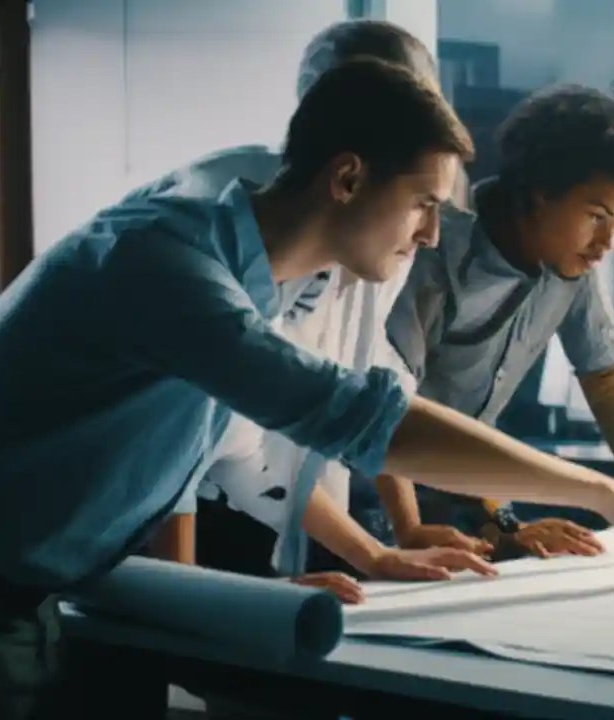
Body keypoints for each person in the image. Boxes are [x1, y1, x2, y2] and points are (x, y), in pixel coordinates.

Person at [0, 58, 614, 720]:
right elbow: (364, 421)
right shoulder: (174, 265)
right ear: (349, 178)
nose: (431, 233)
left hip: (35, 584)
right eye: (425, 202)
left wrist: (267, 585)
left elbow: (206, 463)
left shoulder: (258, 287)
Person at [130, 19, 488, 604]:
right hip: (168, 517)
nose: (428, 232)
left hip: (285, 502)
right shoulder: (216, 212)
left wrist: (390, 539)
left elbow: (364, 388)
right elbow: (190, 428)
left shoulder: (379, 229)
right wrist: (188, 597)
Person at [363, 85, 614, 562]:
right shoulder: (431, 246)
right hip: (359, 501)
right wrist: (407, 528)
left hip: (455, 499)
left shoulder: (572, 271)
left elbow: (610, 388)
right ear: (538, 192)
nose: (607, 244)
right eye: (596, 217)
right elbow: (386, 406)